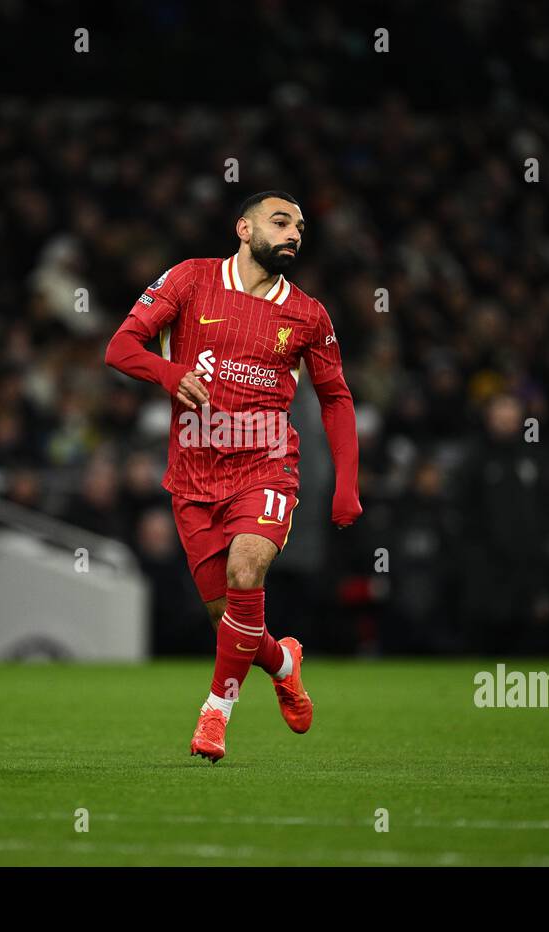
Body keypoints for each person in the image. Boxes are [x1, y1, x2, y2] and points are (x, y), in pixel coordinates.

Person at [105, 190, 361, 762]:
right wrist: (170, 375)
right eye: (280, 221)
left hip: (267, 464)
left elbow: (336, 399)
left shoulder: (309, 315)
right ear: (243, 229)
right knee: (229, 620)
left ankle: (215, 716)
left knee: (248, 573)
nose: (294, 233)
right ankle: (283, 661)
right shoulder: (190, 280)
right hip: (193, 472)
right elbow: (120, 348)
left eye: (300, 226)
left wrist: (346, 483)